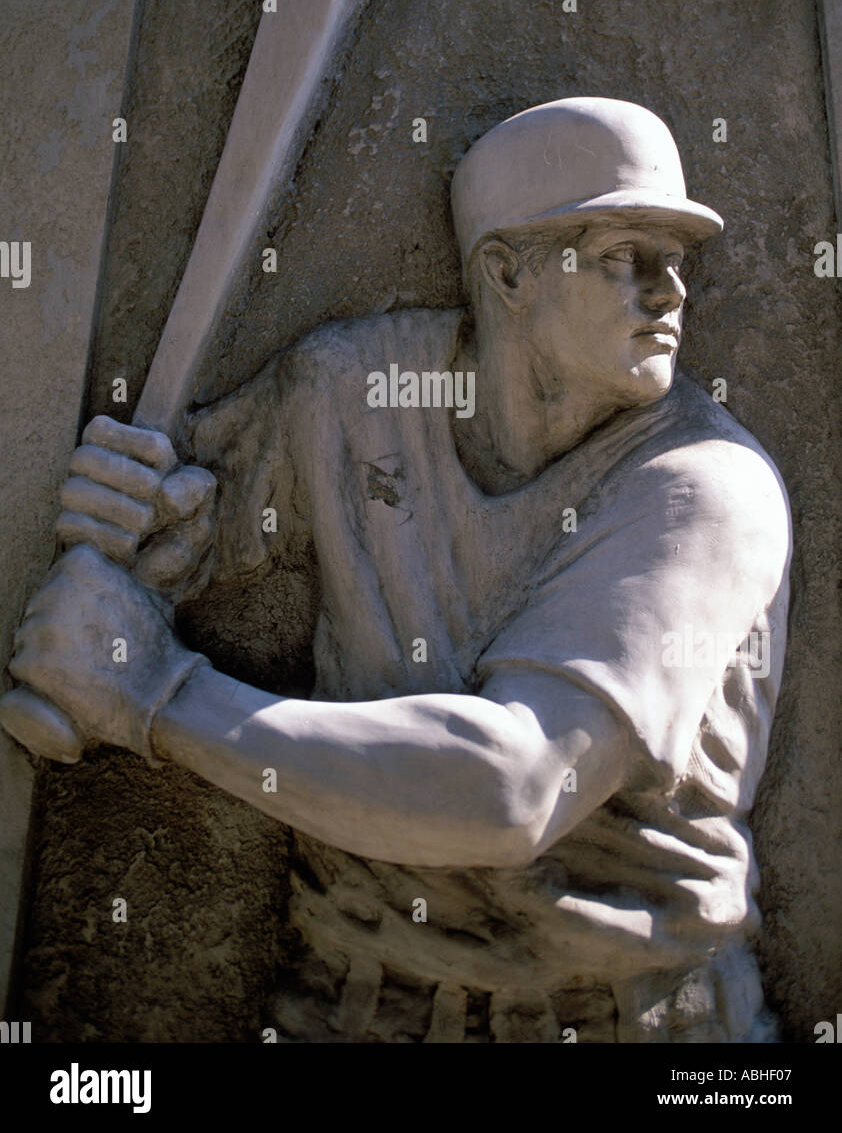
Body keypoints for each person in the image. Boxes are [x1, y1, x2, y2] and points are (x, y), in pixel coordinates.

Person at [8, 98, 791, 1043]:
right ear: (506, 274)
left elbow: (514, 788)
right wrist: (131, 523)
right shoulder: (349, 393)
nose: (674, 294)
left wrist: (154, 695)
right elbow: (185, 528)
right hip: (351, 1006)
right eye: (629, 255)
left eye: (679, 260)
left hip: (626, 1024)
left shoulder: (709, 492)